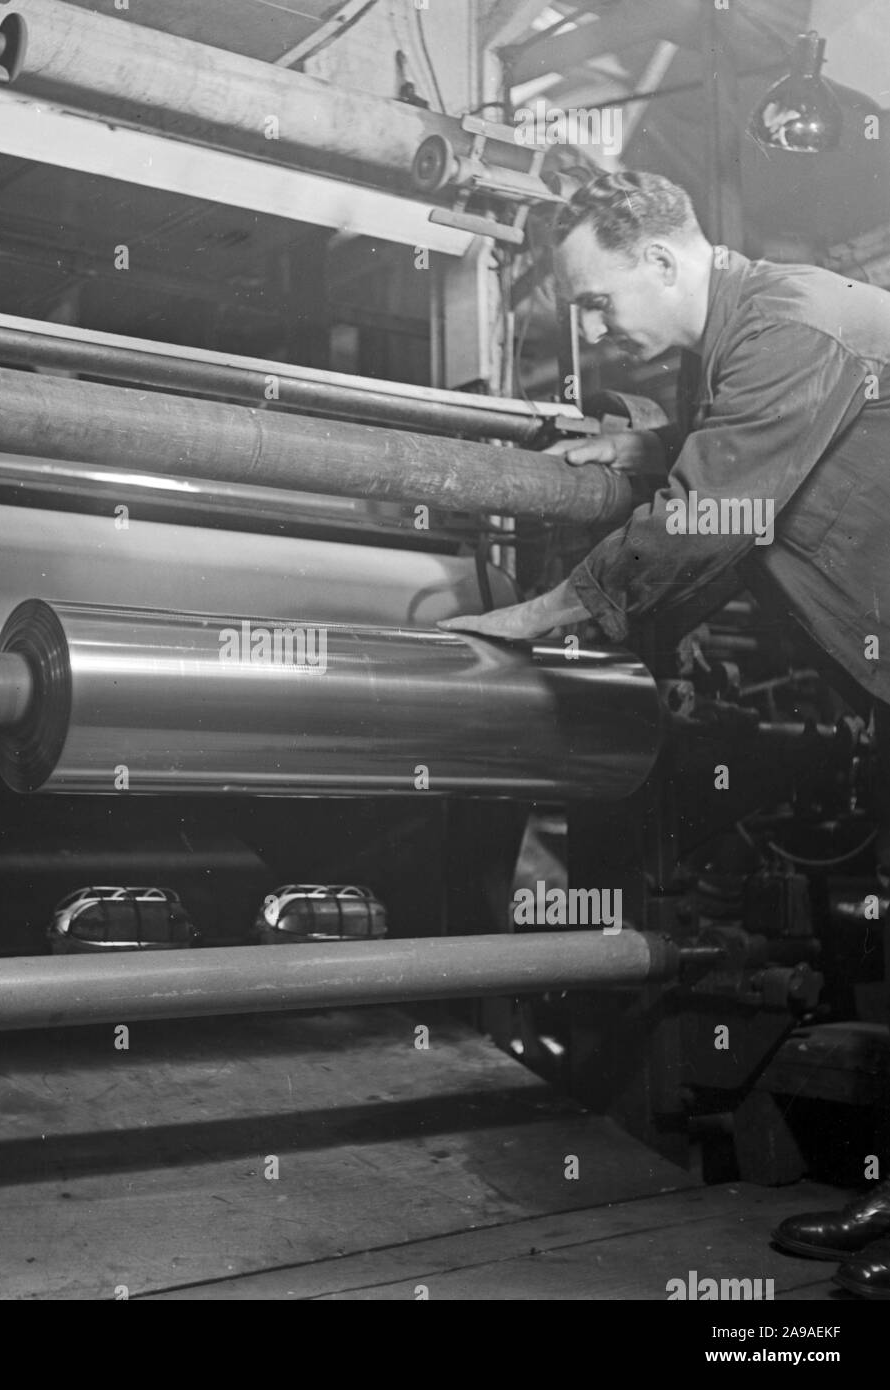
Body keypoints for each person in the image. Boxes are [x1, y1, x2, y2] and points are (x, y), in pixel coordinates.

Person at [439, 170, 890, 1298]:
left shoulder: (793, 321)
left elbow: (721, 503)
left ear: (660, 258)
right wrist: (639, 452)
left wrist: (554, 608)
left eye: (594, 304)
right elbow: (721, 450)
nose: (593, 331)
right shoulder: (741, 345)